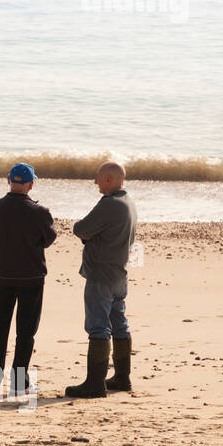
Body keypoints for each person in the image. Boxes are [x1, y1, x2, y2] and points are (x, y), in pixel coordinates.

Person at [0, 162, 56, 398]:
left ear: (9, 180)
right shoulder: (40, 212)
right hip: (31, 277)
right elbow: (48, 239)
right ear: (31, 184)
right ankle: (20, 382)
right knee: (25, 332)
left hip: (2, 275)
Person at [64, 161, 138, 398]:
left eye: (98, 177)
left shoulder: (109, 204)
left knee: (98, 325)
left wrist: (88, 236)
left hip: (101, 274)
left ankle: (95, 383)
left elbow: (81, 228)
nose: (95, 182)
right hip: (119, 272)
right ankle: (122, 377)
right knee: (119, 323)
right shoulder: (128, 203)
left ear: (109, 179)